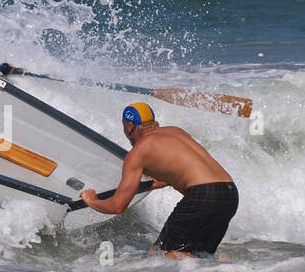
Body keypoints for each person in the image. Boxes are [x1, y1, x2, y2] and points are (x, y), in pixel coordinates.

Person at [79, 102, 239, 259]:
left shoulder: (138, 152)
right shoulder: (176, 131)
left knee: (162, 254)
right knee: (199, 255)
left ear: (129, 126)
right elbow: (188, 169)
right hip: (229, 194)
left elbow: (117, 206)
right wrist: (159, 182)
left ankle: (225, 271)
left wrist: (92, 201)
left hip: (203, 195)